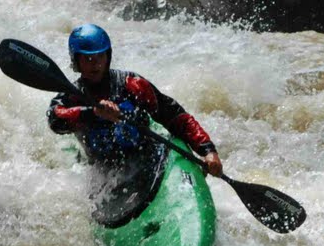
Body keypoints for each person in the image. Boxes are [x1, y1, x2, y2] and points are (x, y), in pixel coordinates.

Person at [46, 23, 223, 178]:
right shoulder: (72, 96)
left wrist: (208, 150)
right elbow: (55, 119)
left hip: (148, 161)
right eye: (88, 58)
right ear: (76, 60)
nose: (96, 64)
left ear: (108, 56)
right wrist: (92, 112)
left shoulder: (132, 85)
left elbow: (176, 117)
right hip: (105, 174)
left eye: (101, 56)